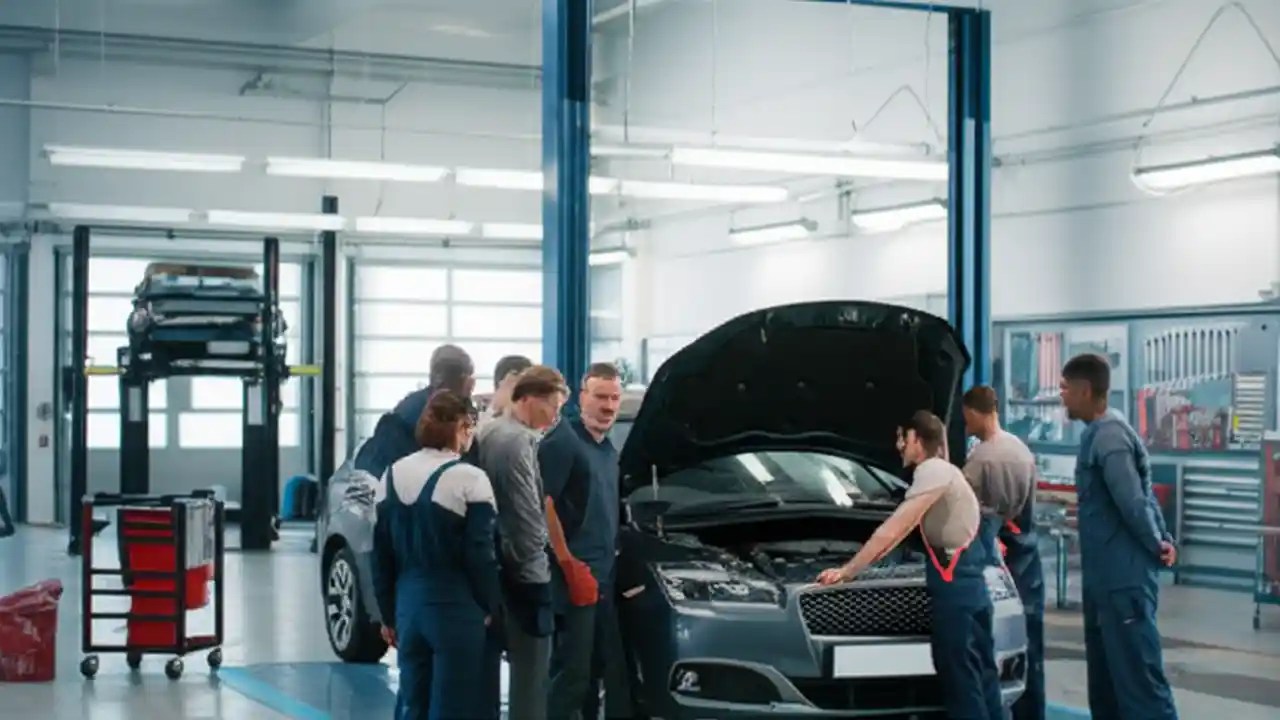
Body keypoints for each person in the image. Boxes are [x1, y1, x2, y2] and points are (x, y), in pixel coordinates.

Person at [817, 410, 1003, 720]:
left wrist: (848, 571)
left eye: (903, 438)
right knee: (982, 673)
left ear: (917, 439)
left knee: (961, 676)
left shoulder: (932, 471)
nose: (899, 445)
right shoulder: (947, 472)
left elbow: (895, 529)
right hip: (969, 583)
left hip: (956, 588)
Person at [1059, 354, 1179, 720]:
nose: (1061, 396)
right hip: (1104, 583)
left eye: (1064, 389)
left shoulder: (1110, 437)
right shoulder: (1097, 434)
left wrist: (1158, 543)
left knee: (1139, 683)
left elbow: (1133, 501)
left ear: (1084, 390)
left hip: (1123, 582)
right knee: (1107, 685)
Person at [370, 390, 502, 719]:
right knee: (454, 705)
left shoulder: (391, 475)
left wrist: (388, 615)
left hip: (408, 608)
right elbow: (480, 554)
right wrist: (491, 605)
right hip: (456, 608)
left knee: (412, 702)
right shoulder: (471, 479)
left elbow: (380, 556)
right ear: (461, 429)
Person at [474, 366, 579, 720]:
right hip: (521, 574)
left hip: (495, 569)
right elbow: (525, 516)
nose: (555, 416)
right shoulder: (515, 441)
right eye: (552, 406)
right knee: (531, 681)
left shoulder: (491, 430)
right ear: (530, 399)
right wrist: (538, 579)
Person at [542, 363, 626, 719]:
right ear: (581, 398)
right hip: (574, 575)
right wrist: (569, 564)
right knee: (571, 675)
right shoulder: (564, 442)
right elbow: (543, 506)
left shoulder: (607, 450)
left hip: (603, 576)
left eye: (614, 398)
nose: (608, 406)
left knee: (596, 672)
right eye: (600, 397)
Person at [961, 385, 1045, 720]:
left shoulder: (980, 458)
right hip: (1027, 560)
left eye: (966, 417)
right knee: (1030, 653)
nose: (965, 424)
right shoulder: (1021, 450)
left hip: (991, 563)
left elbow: (962, 510)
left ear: (974, 412)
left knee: (988, 651)